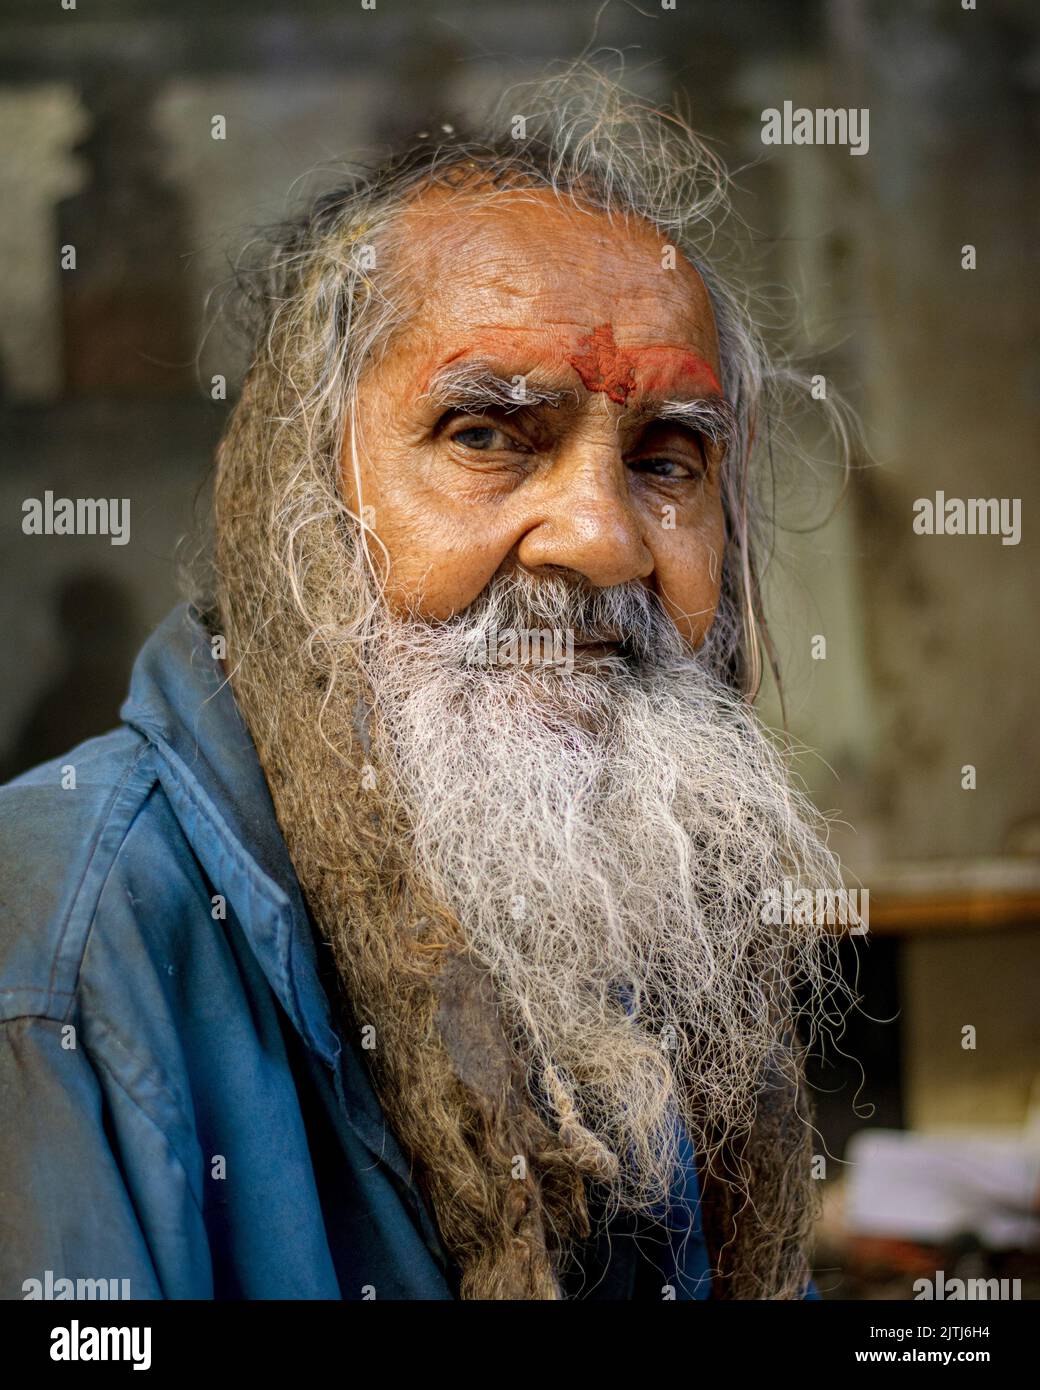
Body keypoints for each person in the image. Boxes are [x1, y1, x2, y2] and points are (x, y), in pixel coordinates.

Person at [0, 69, 850, 1300]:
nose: (604, 541)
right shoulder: (63, 952)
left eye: (668, 458)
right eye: (487, 435)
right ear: (307, 491)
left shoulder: (619, 900)